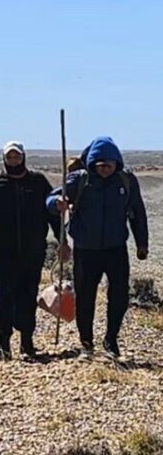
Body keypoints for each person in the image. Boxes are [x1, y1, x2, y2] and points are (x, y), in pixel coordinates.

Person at [48, 136, 149, 359]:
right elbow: (52, 198)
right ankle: (86, 344)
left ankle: (111, 340)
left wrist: (142, 243)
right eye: (101, 165)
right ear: (93, 163)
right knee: (85, 298)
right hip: (86, 250)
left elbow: (137, 212)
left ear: (116, 164)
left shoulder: (126, 180)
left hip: (116, 249)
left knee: (120, 296)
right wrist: (57, 204)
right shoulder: (80, 179)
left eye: (109, 166)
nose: (104, 170)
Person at [0, 141, 63, 361]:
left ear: (24, 157)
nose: (13, 160)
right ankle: (2, 342)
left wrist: (62, 242)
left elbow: (53, 214)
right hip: (1, 253)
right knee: (4, 296)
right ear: (4, 158)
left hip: (32, 252)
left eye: (17, 157)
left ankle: (27, 341)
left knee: (28, 295)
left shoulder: (38, 182)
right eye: (10, 157)